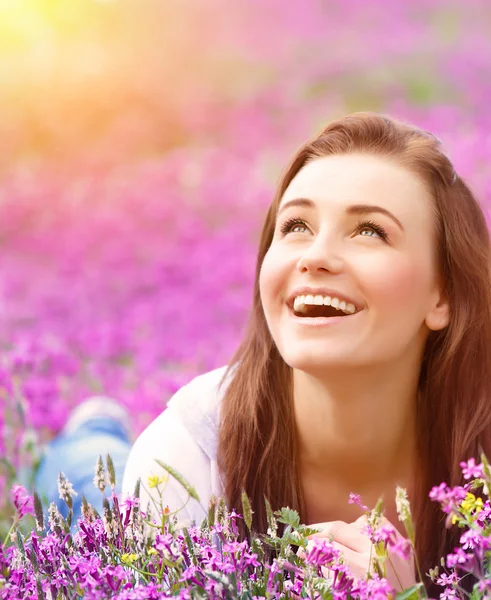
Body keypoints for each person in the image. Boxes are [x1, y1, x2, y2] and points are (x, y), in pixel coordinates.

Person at [38, 112, 491, 597]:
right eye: (296, 224)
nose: (315, 256)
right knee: (90, 488)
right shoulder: (187, 459)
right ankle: (92, 433)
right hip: (143, 479)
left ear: (442, 294)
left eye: (370, 231)